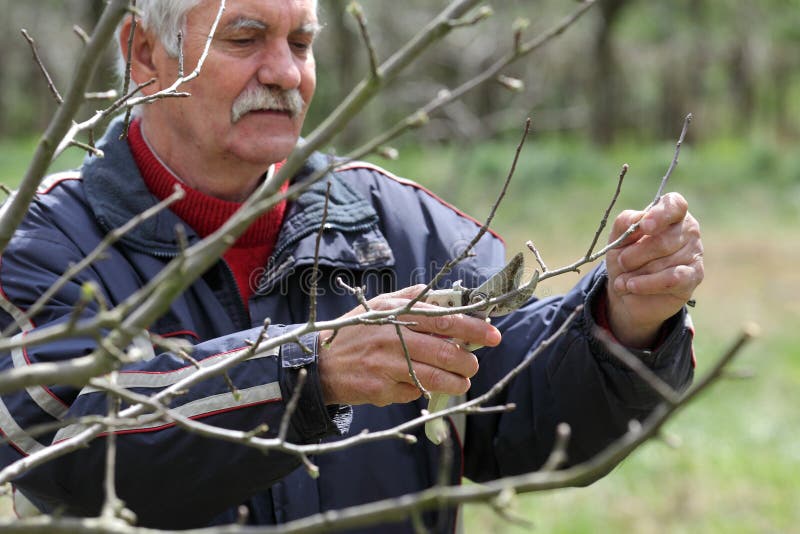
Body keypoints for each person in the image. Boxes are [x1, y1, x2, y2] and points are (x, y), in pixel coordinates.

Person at [0, 0, 703, 531]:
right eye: (244, 39)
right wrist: (308, 373)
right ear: (144, 52)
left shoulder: (400, 228)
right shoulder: (48, 246)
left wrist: (624, 321)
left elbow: (525, 413)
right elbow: (70, 449)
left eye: (300, 43)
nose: (283, 73)